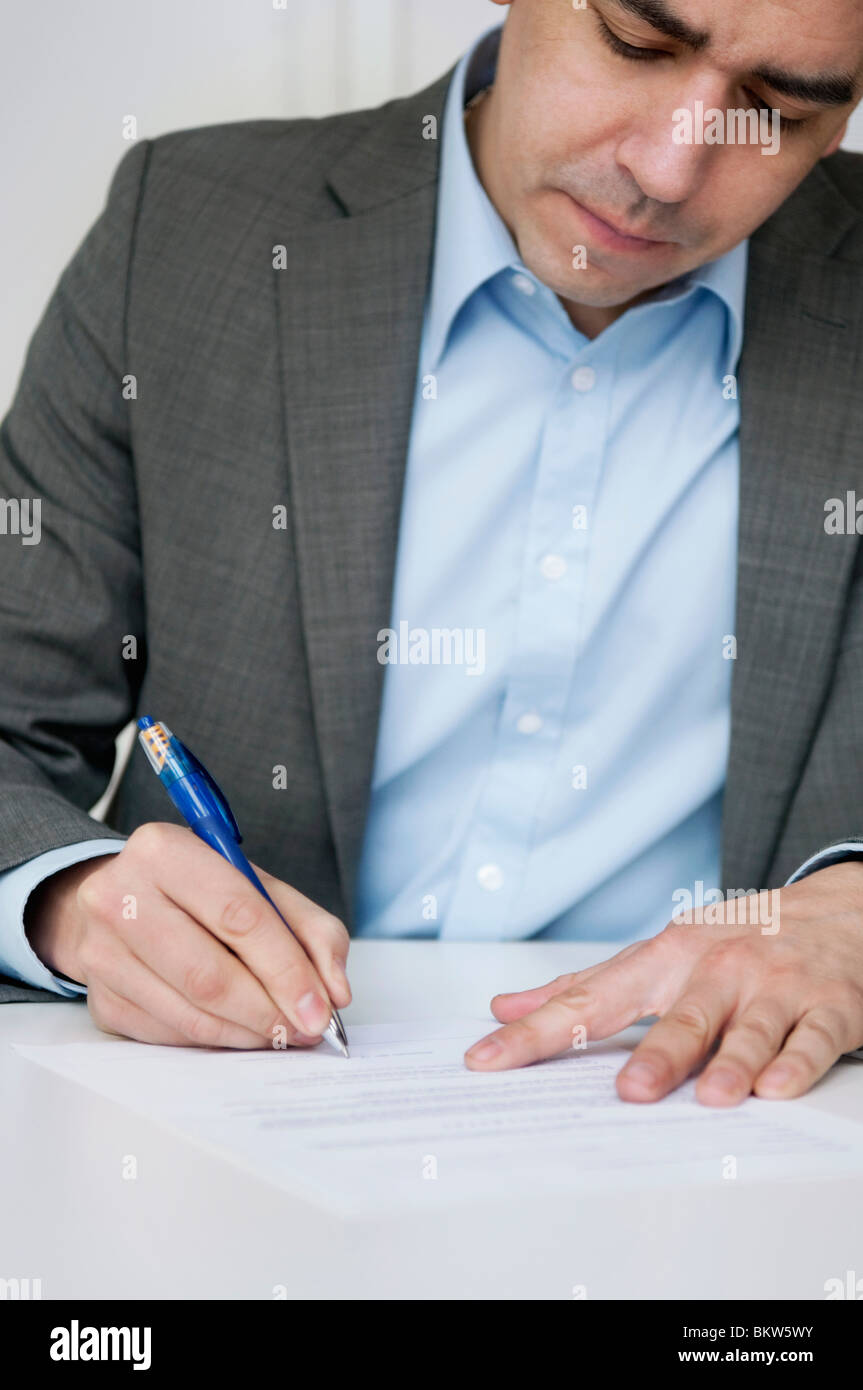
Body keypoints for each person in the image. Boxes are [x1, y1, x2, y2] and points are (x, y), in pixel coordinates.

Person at [3, 0, 863, 1105]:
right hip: (221, 1130)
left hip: (727, 1145)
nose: (665, 168)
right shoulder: (179, 235)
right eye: (634, 46)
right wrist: (70, 899)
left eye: (777, 111)